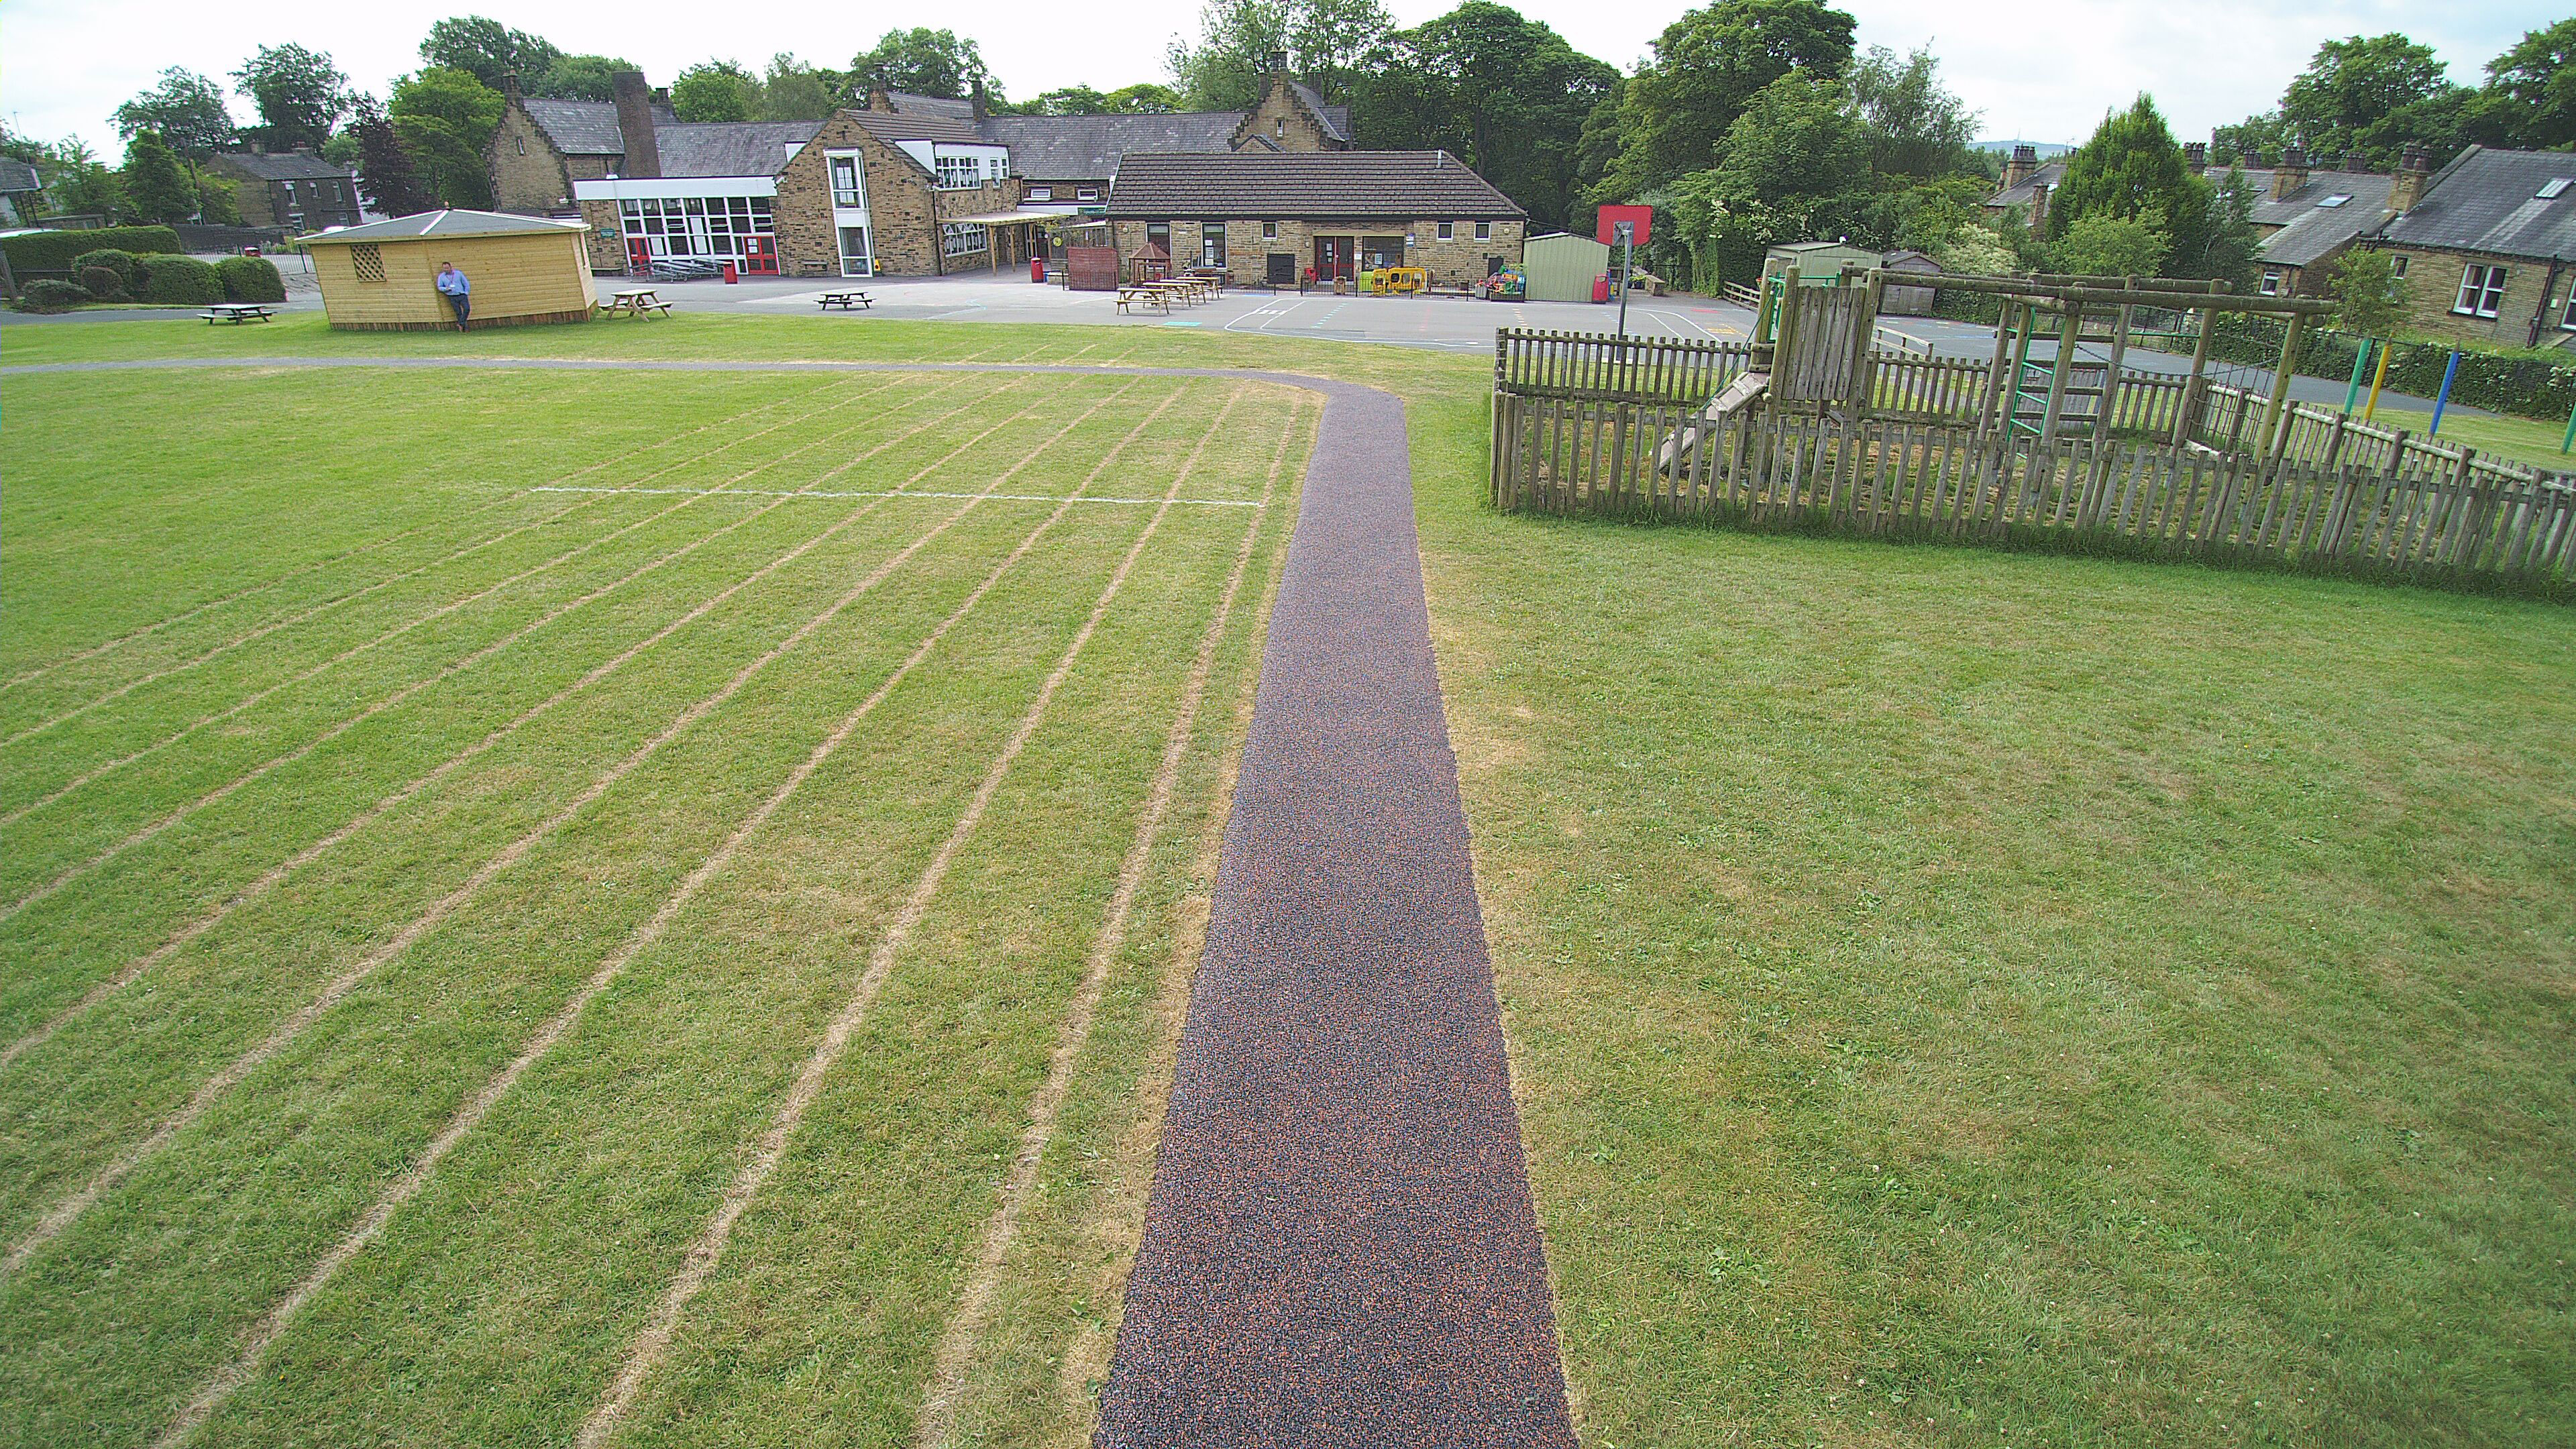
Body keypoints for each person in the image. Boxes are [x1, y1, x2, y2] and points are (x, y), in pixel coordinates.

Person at [435, 261, 471, 331]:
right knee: (458, 312)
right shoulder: (441, 277)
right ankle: (464, 329)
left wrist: (466, 292)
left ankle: (461, 323)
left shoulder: (458, 273)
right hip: (452, 296)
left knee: (467, 309)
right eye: (444, 268)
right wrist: (446, 289)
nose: (446, 270)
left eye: (447, 268)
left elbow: (466, 283)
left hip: (461, 294)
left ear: (451, 267)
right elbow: (440, 287)